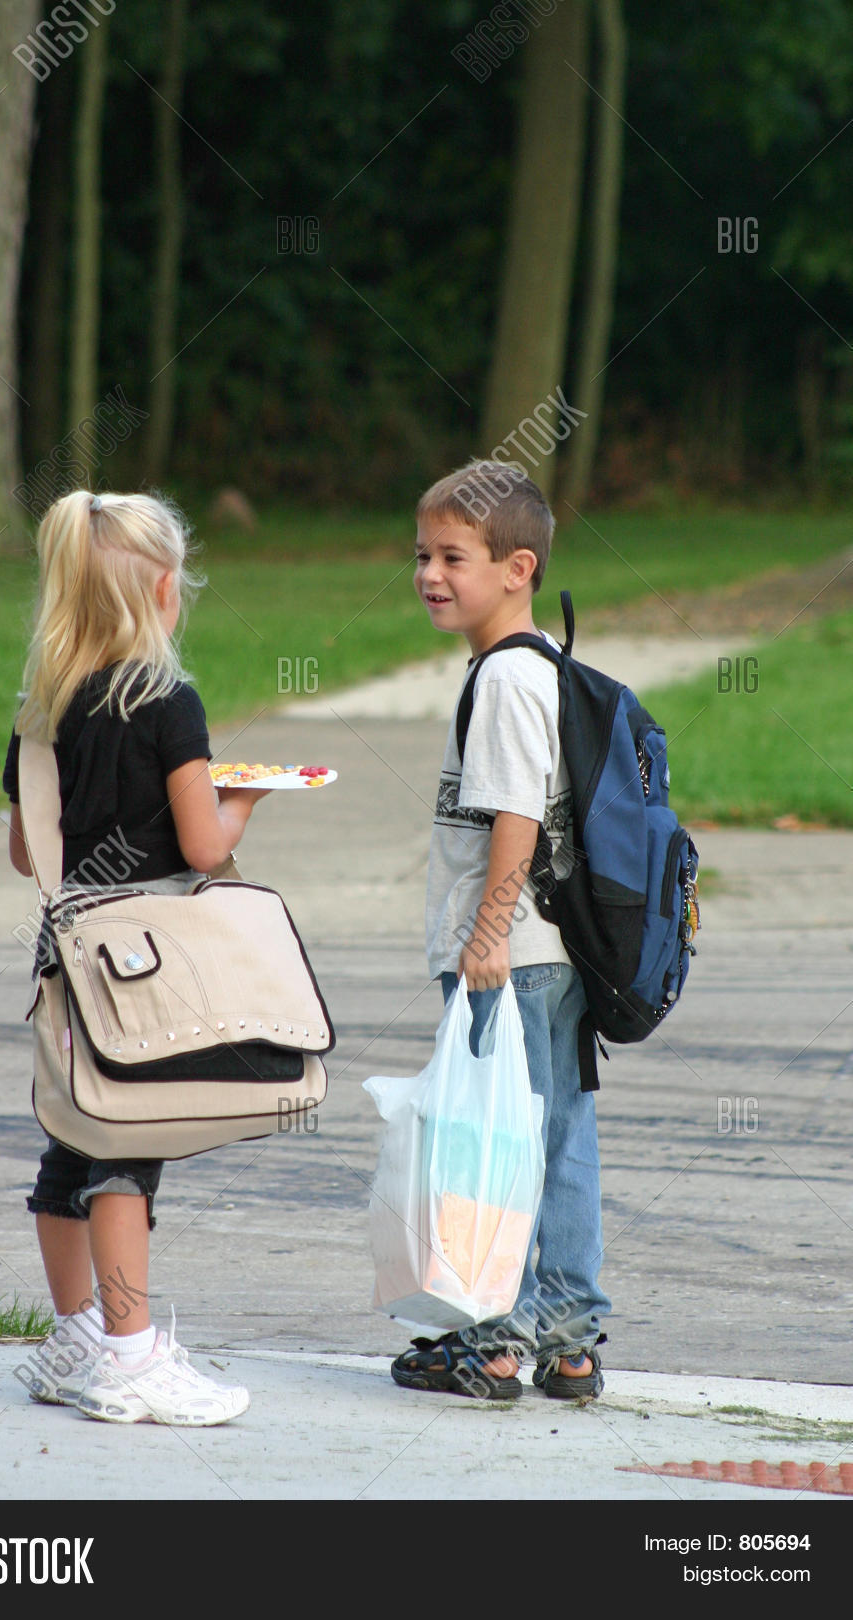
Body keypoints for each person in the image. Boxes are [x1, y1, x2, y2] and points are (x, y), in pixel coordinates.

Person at [4, 488, 266, 1426]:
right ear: (165, 589)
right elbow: (201, 847)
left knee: (72, 1139)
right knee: (131, 1151)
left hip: (65, 954)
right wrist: (245, 803)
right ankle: (129, 1354)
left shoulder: (45, 707)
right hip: (145, 963)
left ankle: (75, 1335)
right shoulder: (168, 702)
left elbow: (29, 850)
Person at [390, 460, 611, 1402]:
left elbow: (514, 817)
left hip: (508, 958)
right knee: (554, 1138)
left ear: (517, 567)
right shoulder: (527, 671)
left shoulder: (507, 679)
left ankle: (490, 1342)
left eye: (452, 557)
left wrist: (484, 937)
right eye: (421, 555)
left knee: (492, 1147)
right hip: (545, 956)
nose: (429, 574)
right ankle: (567, 1341)